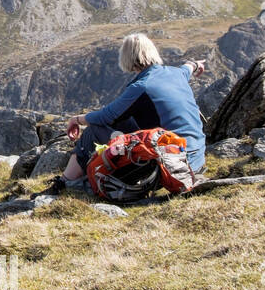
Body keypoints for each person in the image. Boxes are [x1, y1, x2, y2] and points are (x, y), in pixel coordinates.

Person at [51, 33, 207, 193]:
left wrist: (76, 120)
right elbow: (188, 67)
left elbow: (106, 116)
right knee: (125, 121)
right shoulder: (177, 73)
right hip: (197, 159)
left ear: (126, 58)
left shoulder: (141, 86)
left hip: (171, 163)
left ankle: (63, 184)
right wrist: (195, 64)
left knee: (93, 131)